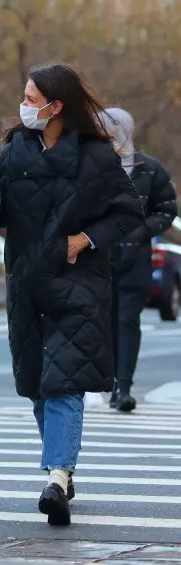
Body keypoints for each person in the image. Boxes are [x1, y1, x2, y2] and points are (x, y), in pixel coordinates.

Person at [0, 63, 143, 526]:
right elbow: (0, 212)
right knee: (39, 382)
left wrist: (84, 239)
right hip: (26, 281)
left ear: (56, 105)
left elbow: (128, 215)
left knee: (64, 380)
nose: (24, 106)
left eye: (31, 97)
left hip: (79, 282)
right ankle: (61, 467)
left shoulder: (96, 157)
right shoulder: (13, 153)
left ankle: (57, 477)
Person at [99, 108, 177, 412]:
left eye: (114, 127)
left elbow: (167, 210)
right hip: (102, 259)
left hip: (136, 258)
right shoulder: (95, 166)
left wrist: (142, 230)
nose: (110, 133)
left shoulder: (150, 169)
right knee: (107, 323)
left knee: (126, 320)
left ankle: (124, 386)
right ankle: (112, 383)